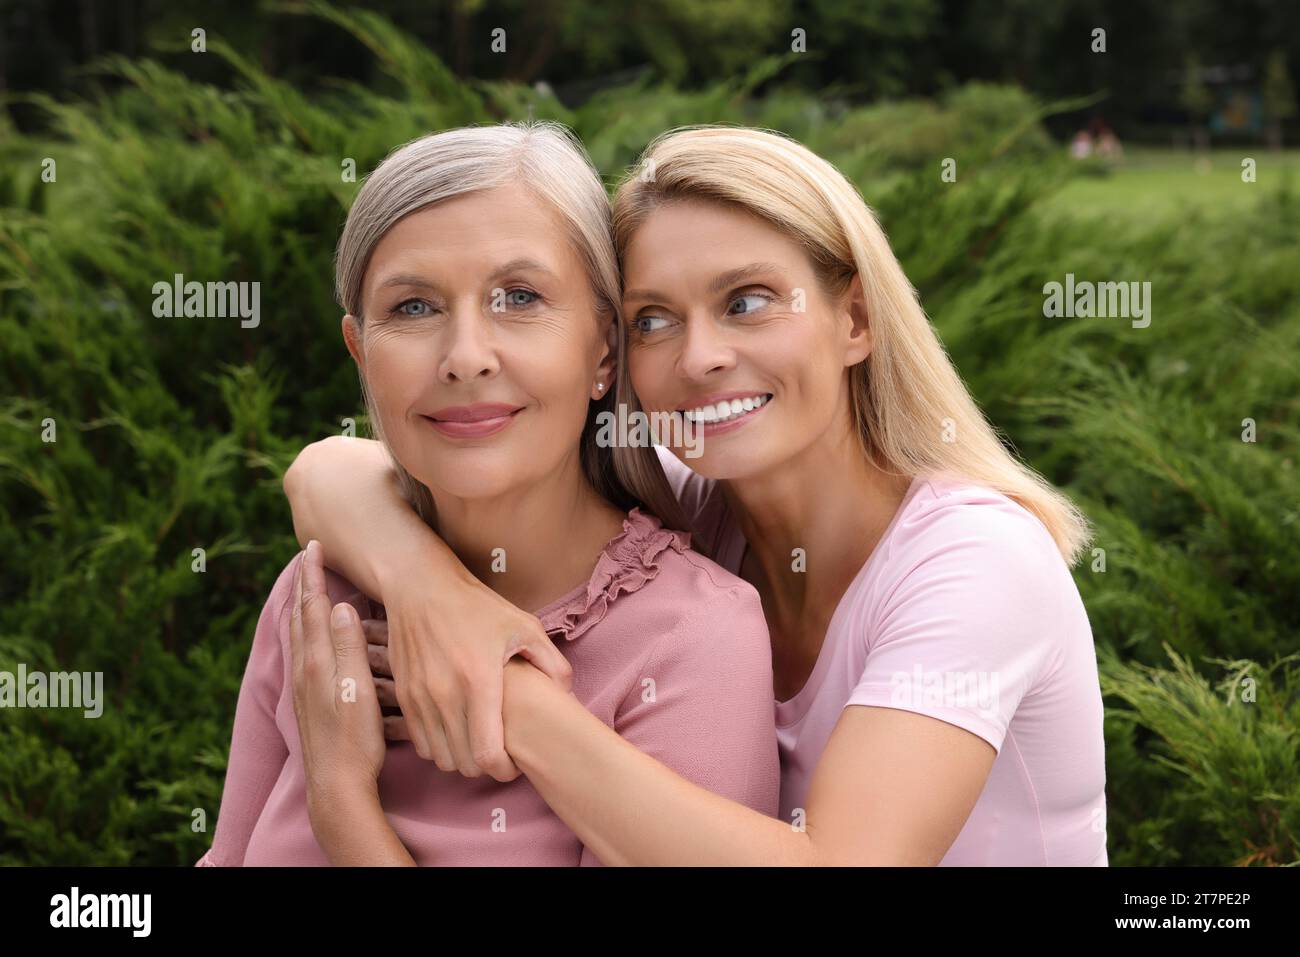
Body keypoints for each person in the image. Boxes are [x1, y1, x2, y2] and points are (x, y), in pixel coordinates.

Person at [285, 126, 1109, 865]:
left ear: (854, 318)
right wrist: (431, 595)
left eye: (745, 302)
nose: (701, 356)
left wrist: (505, 691)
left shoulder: (975, 564)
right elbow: (330, 470)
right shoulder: (689, 506)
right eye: (653, 319)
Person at [196, 123, 779, 866]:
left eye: (520, 296)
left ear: (604, 349)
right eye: (413, 308)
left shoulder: (694, 637)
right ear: (359, 351)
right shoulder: (318, 594)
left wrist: (341, 800)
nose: (465, 357)